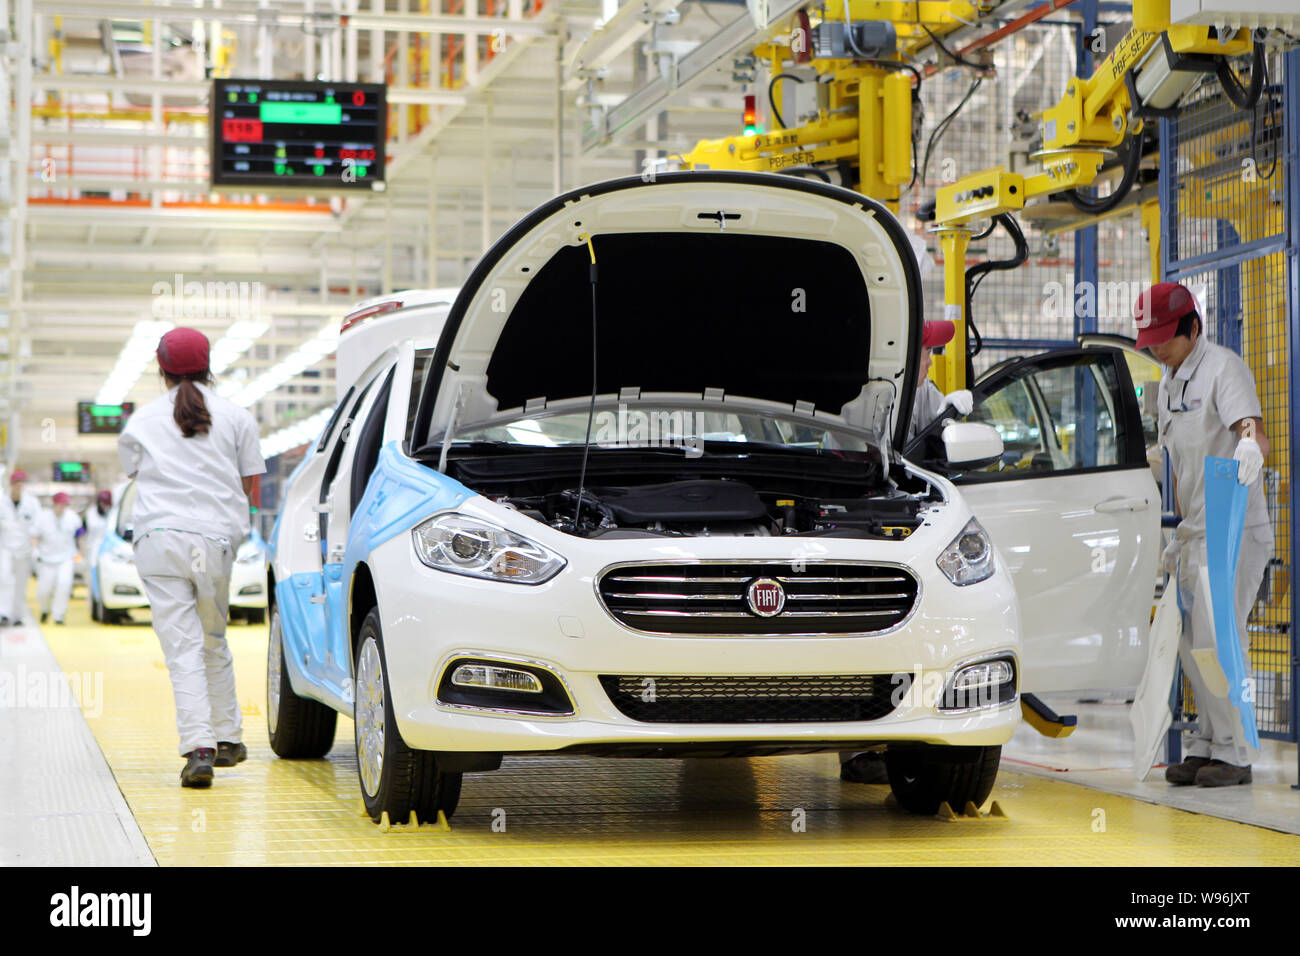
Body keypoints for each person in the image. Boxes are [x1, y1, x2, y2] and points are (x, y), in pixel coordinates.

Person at [118, 327, 266, 788]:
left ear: (161, 370)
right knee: (212, 638)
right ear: (208, 367)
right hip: (215, 541)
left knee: (181, 647)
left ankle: (200, 747)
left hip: (160, 541)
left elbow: (136, 474)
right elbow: (249, 486)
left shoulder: (141, 421)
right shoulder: (238, 417)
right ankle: (228, 738)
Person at [1136, 282, 1271, 788]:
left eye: (1164, 339)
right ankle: (1208, 744)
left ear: (1193, 327)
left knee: (1221, 640)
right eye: (1148, 340)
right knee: (1192, 645)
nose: (1155, 349)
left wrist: (1250, 448)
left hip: (1233, 525)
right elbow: (1175, 462)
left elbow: (1251, 429)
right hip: (1196, 531)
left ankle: (1238, 751)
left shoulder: (1223, 367)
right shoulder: (1169, 381)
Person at [842, 319, 977, 785]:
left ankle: (912, 733)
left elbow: (940, 461)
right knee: (859, 630)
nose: (929, 361)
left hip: (917, 536)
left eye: (931, 354)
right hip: (864, 532)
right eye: (923, 353)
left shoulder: (928, 396)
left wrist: (946, 428)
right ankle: (858, 746)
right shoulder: (860, 399)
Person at [906, 319, 975, 445]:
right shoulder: (877, 402)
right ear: (909, 356)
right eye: (928, 352)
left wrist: (946, 415)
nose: (930, 363)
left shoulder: (922, 387)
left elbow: (940, 435)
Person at [0, 469, 42, 627]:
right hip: (5, 548)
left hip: (24, 550)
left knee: (20, 583)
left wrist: (35, 548)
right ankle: (3, 613)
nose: (18, 486)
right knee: (3, 579)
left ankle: (17, 615)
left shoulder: (32, 504)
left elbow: (36, 527)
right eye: (16, 483)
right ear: (11, 484)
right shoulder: (2, 503)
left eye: (21, 483)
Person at [35, 492, 83, 626]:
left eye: (65, 504)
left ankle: (58, 615)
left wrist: (82, 554)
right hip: (46, 559)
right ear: (54, 504)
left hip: (66, 558)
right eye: (60, 504)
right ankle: (45, 609)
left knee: (64, 584)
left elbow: (80, 537)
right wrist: (36, 551)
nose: (63, 507)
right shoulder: (42, 518)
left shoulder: (73, 518)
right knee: (44, 589)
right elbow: (35, 536)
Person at [83, 489, 113, 566]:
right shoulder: (91, 512)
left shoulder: (113, 512)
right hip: (93, 546)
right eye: (101, 502)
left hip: (110, 548)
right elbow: (92, 527)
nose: (102, 505)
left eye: (105, 503)